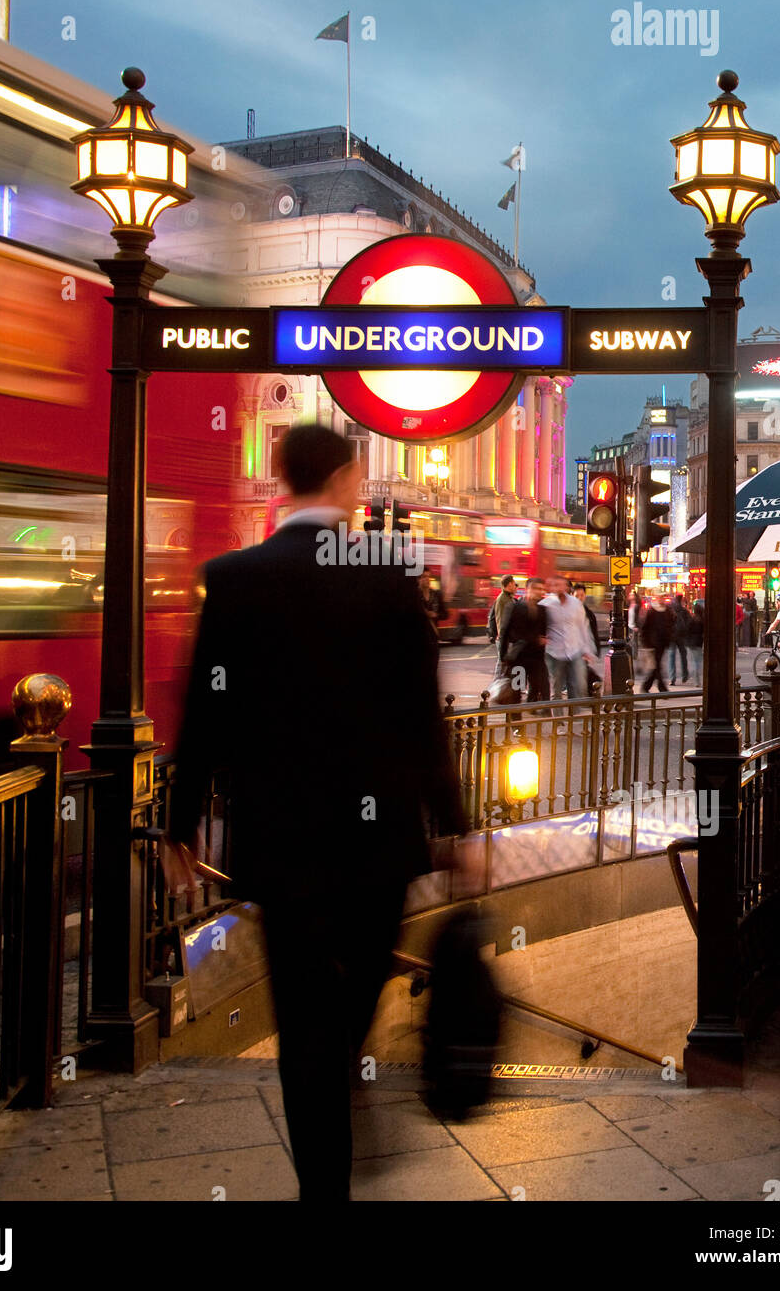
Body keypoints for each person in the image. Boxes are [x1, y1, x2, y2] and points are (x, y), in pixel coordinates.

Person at [166, 424, 468, 1202]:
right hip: (379, 846)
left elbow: (203, 709)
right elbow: (419, 714)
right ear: (343, 480)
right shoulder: (384, 575)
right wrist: (456, 824)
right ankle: (343, 1085)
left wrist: (180, 822)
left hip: (281, 840)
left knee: (302, 1024)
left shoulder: (233, 578)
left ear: (282, 480)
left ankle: (322, 1187)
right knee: (350, 1008)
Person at [498, 576, 550, 703]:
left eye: (543, 589)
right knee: (517, 691)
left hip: (536, 659)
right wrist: (503, 658)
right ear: (528, 589)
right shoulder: (514, 607)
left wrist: (543, 640)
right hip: (519, 658)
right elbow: (506, 633)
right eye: (538, 589)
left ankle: (541, 713)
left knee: (543, 687)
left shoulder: (543, 609)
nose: (541, 592)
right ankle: (515, 719)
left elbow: (543, 632)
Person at [542, 575, 591, 700]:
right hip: (555, 652)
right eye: (555, 585)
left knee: (579, 686)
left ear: (566, 587)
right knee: (556, 688)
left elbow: (582, 626)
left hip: (574, 651)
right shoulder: (546, 604)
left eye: (560, 585)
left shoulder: (575, 604)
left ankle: (573, 716)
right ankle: (558, 718)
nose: (558, 588)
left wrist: (587, 649)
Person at [638, 592, 675, 693]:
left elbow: (671, 623)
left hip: (662, 642)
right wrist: (645, 642)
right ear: (657, 598)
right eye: (661, 598)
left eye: (664, 598)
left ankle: (647, 686)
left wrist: (670, 636)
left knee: (656, 666)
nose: (663, 599)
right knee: (657, 666)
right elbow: (645, 627)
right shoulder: (651, 610)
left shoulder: (667, 610)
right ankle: (660, 687)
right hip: (652, 643)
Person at [572, 582, 602, 695]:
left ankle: (587, 694)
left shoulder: (588, 613)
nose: (580, 598)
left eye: (582, 595)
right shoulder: (569, 612)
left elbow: (593, 632)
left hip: (585, 648)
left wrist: (596, 648)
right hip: (573, 649)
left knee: (582, 673)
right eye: (577, 596)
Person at [487, 575, 518, 679]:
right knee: (502, 662)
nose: (516, 587)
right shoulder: (502, 599)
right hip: (504, 637)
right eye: (514, 584)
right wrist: (501, 636)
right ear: (509, 585)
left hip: (507, 637)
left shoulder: (508, 598)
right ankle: (496, 685)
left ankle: (506, 685)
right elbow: (500, 619)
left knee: (505, 662)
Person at [667, 594, 690, 685]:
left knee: (671, 656)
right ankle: (685, 675)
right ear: (681, 600)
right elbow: (689, 622)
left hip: (672, 635)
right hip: (681, 636)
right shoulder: (684, 611)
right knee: (683, 655)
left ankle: (672, 678)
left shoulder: (670, 609)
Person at [418, 570, 449, 635]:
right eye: (424, 577)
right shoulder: (414, 595)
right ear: (419, 579)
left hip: (432, 634)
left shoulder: (437, 594)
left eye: (429, 577)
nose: (427, 579)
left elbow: (445, 614)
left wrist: (436, 615)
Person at [686, 598, 705, 686]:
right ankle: (696, 679)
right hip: (698, 643)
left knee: (694, 661)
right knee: (697, 661)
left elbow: (687, 630)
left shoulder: (692, 619)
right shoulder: (702, 620)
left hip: (691, 643)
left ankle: (694, 677)